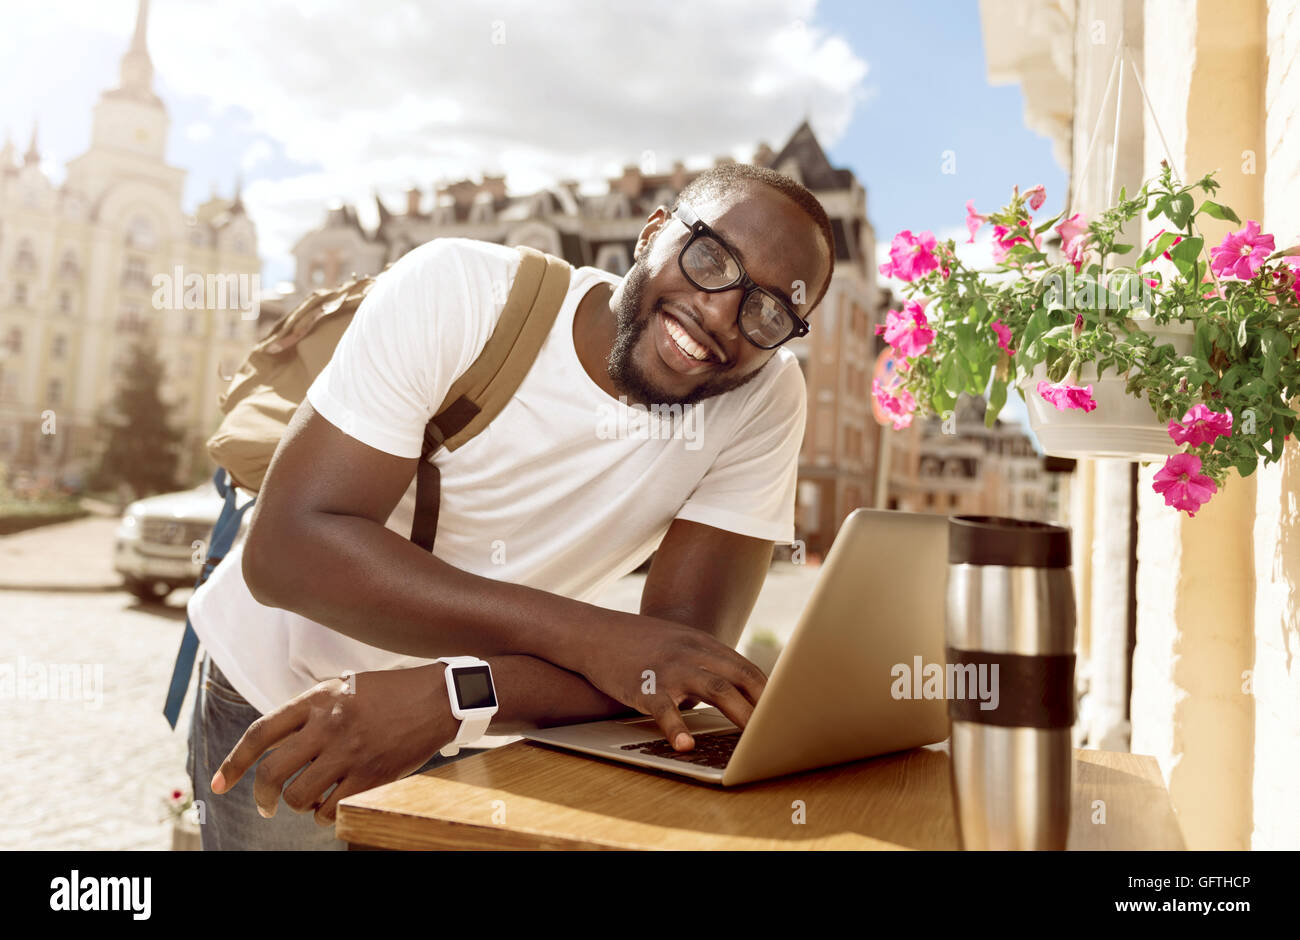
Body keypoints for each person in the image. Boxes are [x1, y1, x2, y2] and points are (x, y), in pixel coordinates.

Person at [186, 162, 835, 849]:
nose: (720, 315)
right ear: (651, 234)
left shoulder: (764, 397)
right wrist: (589, 636)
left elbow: (676, 670)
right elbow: (287, 551)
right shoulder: (460, 290)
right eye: (711, 259)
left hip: (478, 727)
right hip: (287, 701)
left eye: (769, 311)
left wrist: (454, 697)